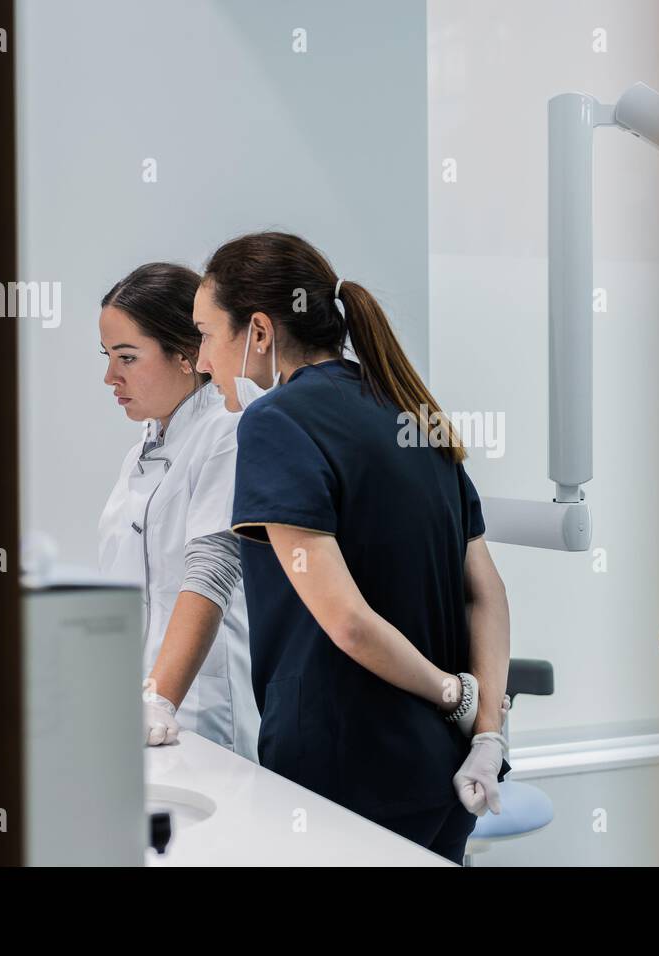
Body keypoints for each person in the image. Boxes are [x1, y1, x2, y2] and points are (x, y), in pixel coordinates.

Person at [194, 231, 512, 863]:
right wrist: (486, 733)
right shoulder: (411, 412)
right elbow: (488, 593)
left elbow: (347, 622)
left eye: (205, 333)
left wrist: (455, 693)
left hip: (343, 777)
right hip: (447, 779)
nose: (202, 360)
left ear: (258, 331)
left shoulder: (275, 422)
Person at [96, 262, 258, 759]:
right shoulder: (142, 449)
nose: (109, 377)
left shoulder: (227, 432)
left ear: (187, 355)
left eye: (127, 357)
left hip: (201, 709)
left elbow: (209, 574)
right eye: (107, 357)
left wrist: (159, 698)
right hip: (144, 707)